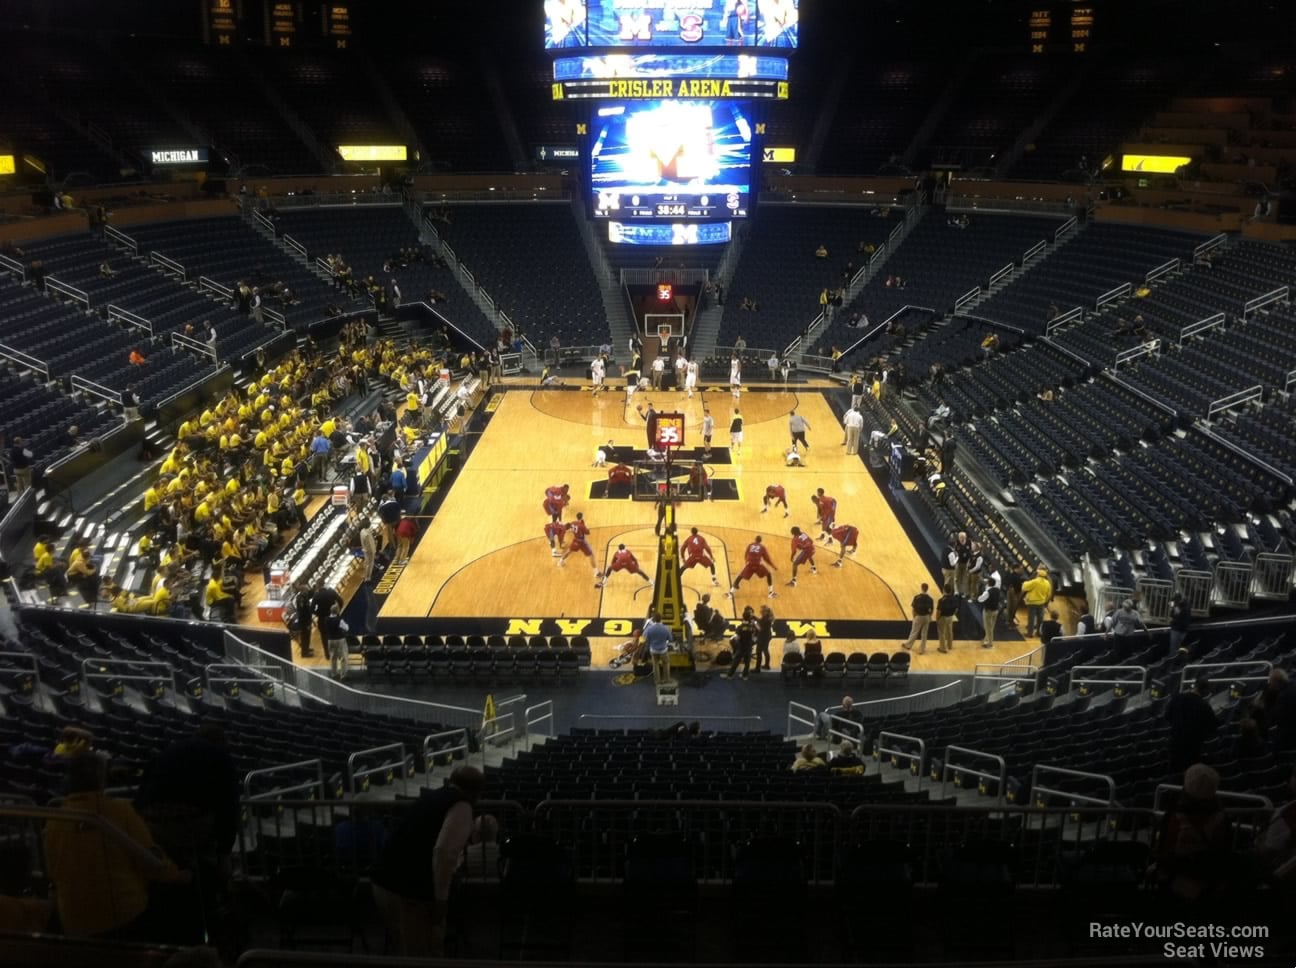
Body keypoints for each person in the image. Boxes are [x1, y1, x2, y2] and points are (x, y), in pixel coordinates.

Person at [44, 753, 190, 940]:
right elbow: (152, 862)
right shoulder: (119, 811)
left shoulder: (55, 820)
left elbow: (53, 871)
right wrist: (179, 875)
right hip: (123, 916)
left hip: (74, 922)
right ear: (101, 777)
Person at [370, 766, 497, 958]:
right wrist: (441, 899)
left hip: (383, 884)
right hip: (409, 893)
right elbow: (444, 853)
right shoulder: (461, 806)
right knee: (426, 954)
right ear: (476, 793)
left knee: (405, 952)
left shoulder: (431, 797)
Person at [1154, 764, 1233, 903]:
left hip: (1180, 879)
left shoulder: (1175, 816)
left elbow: (1165, 849)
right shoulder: (1222, 818)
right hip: (1210, 880)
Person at [1166, 675, 1218, 772]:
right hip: (1193, 748)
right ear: (1206, 690)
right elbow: (1212, 728)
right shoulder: (1205, 706)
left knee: (1174, 773)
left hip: (1175, 743)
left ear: (1195, 686)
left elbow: (1167, 716)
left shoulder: (1177, 698)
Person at [727, 535, 777, 599]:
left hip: (750, 564)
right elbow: (767, 559)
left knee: (739, 576)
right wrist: (773, 566)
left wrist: (746, 562)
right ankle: (770, 593)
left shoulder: (750, 545)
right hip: (758, 565)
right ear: (761, 541)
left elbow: (746, 554)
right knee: (768, 574)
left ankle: (731, 593)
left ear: (755, 539)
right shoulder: (762, 547)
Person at [559, 512, 601, 583]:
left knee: (569, 551)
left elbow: (566, 527)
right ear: (582, 517)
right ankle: (596, 572)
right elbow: (587, 532)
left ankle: (561, 561)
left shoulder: (573, 523)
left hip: (575, 540)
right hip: (581, 542)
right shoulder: (581, 525)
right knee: (591, 555)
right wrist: (585, 527)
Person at [312, 583, 343, 660]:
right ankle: (338, 653)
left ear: (318, 586)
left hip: (322, 619)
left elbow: (311, 609)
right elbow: (340, 601)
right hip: (333, 617)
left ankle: (327, 654)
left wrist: (318, 613)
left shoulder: (316, 595)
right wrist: (338, 611)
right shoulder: (331, 592)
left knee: (324, 637)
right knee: (336, 635)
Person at [902, 582, 934, 654]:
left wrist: (914, 617)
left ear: (921, 588)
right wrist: (929, 617)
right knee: (924, 634)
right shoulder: (930, 599)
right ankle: (922, 650)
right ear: (927, 589)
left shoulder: (917, 597)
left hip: (918, 616)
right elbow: (932, 609)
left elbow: (913, 608)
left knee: (914, 631)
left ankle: (908, 645)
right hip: (926, 617)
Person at [1021, 566, 1053, 638]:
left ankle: (1030, 633)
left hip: (1032, 603)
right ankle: (1039, 633)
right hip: (1041, 603)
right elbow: (1049, 594)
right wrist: (1045, 601)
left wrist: (1026, 582)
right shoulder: (1047, 583)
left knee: (1031, 618)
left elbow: (1024, 587)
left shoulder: (1035, 581)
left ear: (1038, 574)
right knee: (1040, 619)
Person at [728, 607, 757, 679]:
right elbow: (755, 633)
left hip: (741, 646)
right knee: (747, 662)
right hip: (749, 646)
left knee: (736, 661)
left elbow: (737, 638)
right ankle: (745, 676)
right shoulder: (752, 626)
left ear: (743, 617)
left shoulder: (740, 627)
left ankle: (730, 675)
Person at [643, 610, 671, 684]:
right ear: (661, 619)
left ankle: (657, 681)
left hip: (653, 650)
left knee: (655, 665)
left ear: (654, 619)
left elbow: (647, 639)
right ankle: (667, 680)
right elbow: (670, 639)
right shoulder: (666, 628)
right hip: (663, 650)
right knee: (666, 664)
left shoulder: (649, 629)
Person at [977, 577, 1001, 649]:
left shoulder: (987, 592)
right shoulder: (997, 590)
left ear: (988, 583)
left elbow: (980, 599)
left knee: (988, 627)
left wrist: (980, 595)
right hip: (996, 610)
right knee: (992, 626)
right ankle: (986, 639)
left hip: (988, 611)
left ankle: (989, 643)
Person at [935, 583, 959, 654]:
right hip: (950, 617)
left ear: (944, 590)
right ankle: (950, 645)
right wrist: (952, 614)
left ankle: (943, 648)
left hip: (943, 617)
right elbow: (956, 609)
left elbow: (939, 611)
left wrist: (937, 619)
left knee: (942, 633)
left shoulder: (941, 600)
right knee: (950, 631)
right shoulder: (954, 598)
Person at [754, 603, 775, 672]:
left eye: (761, 611)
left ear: (765, 611)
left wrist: (755, 623)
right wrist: (756, 619)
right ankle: (767, 665)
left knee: (759, 652)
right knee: (765, 650)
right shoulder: (767, 617)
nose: (760, 612)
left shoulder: (766, 619)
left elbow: (760, 628)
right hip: (767, 636)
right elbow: (760, 621)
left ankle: (757, 668)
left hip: (763, 637)